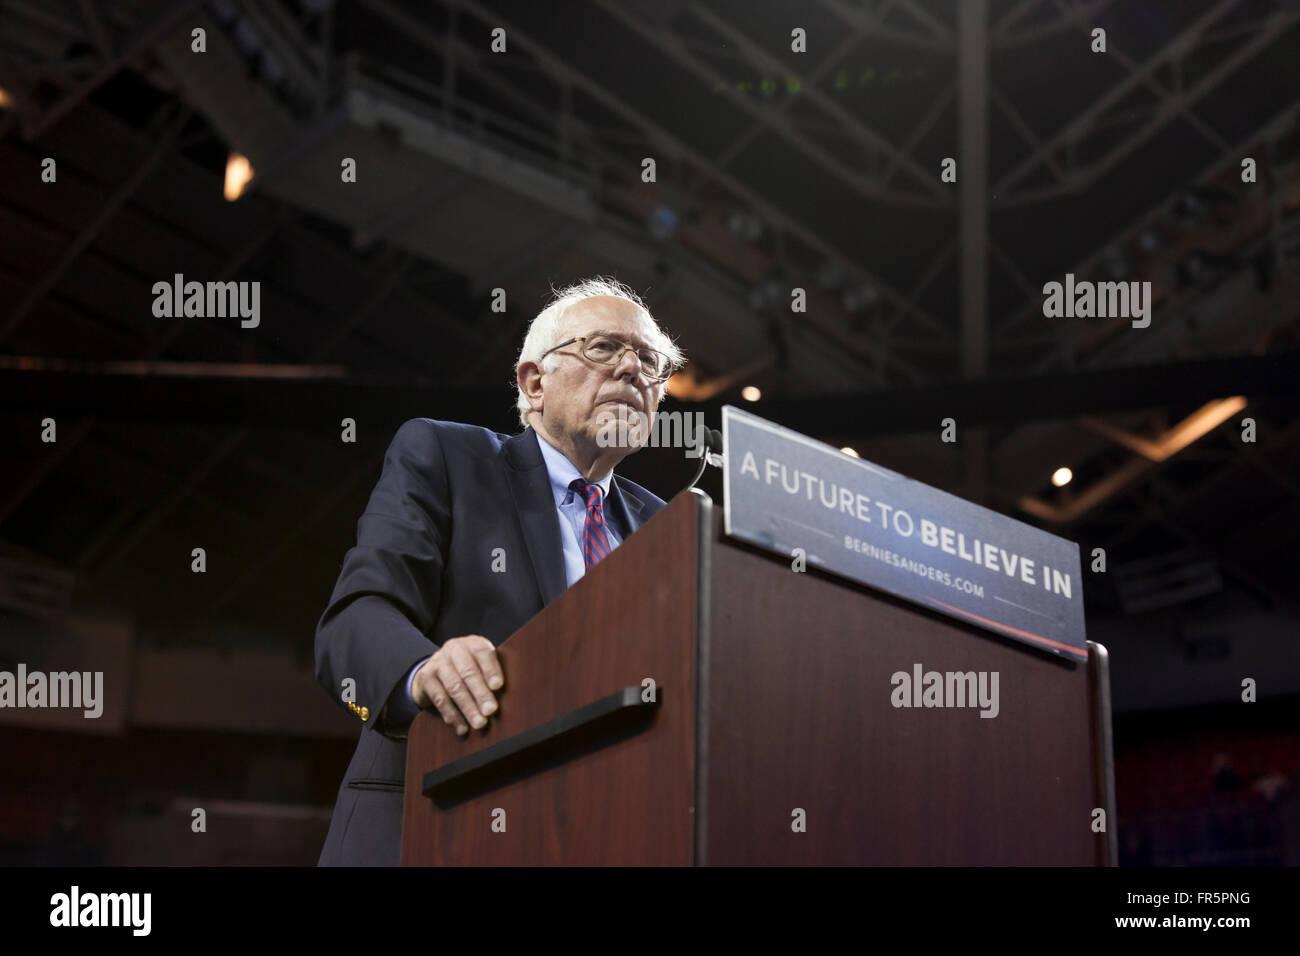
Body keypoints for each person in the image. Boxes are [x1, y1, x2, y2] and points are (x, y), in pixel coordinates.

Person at [314, 277, 684, 865]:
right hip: (435, 825)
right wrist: (422, 669)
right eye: (604, 349)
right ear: (534, 383)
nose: (632, 370)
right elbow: (354, 622)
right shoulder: (447, 459)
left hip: (601, 834)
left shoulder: (669, 527)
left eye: (651, 361)